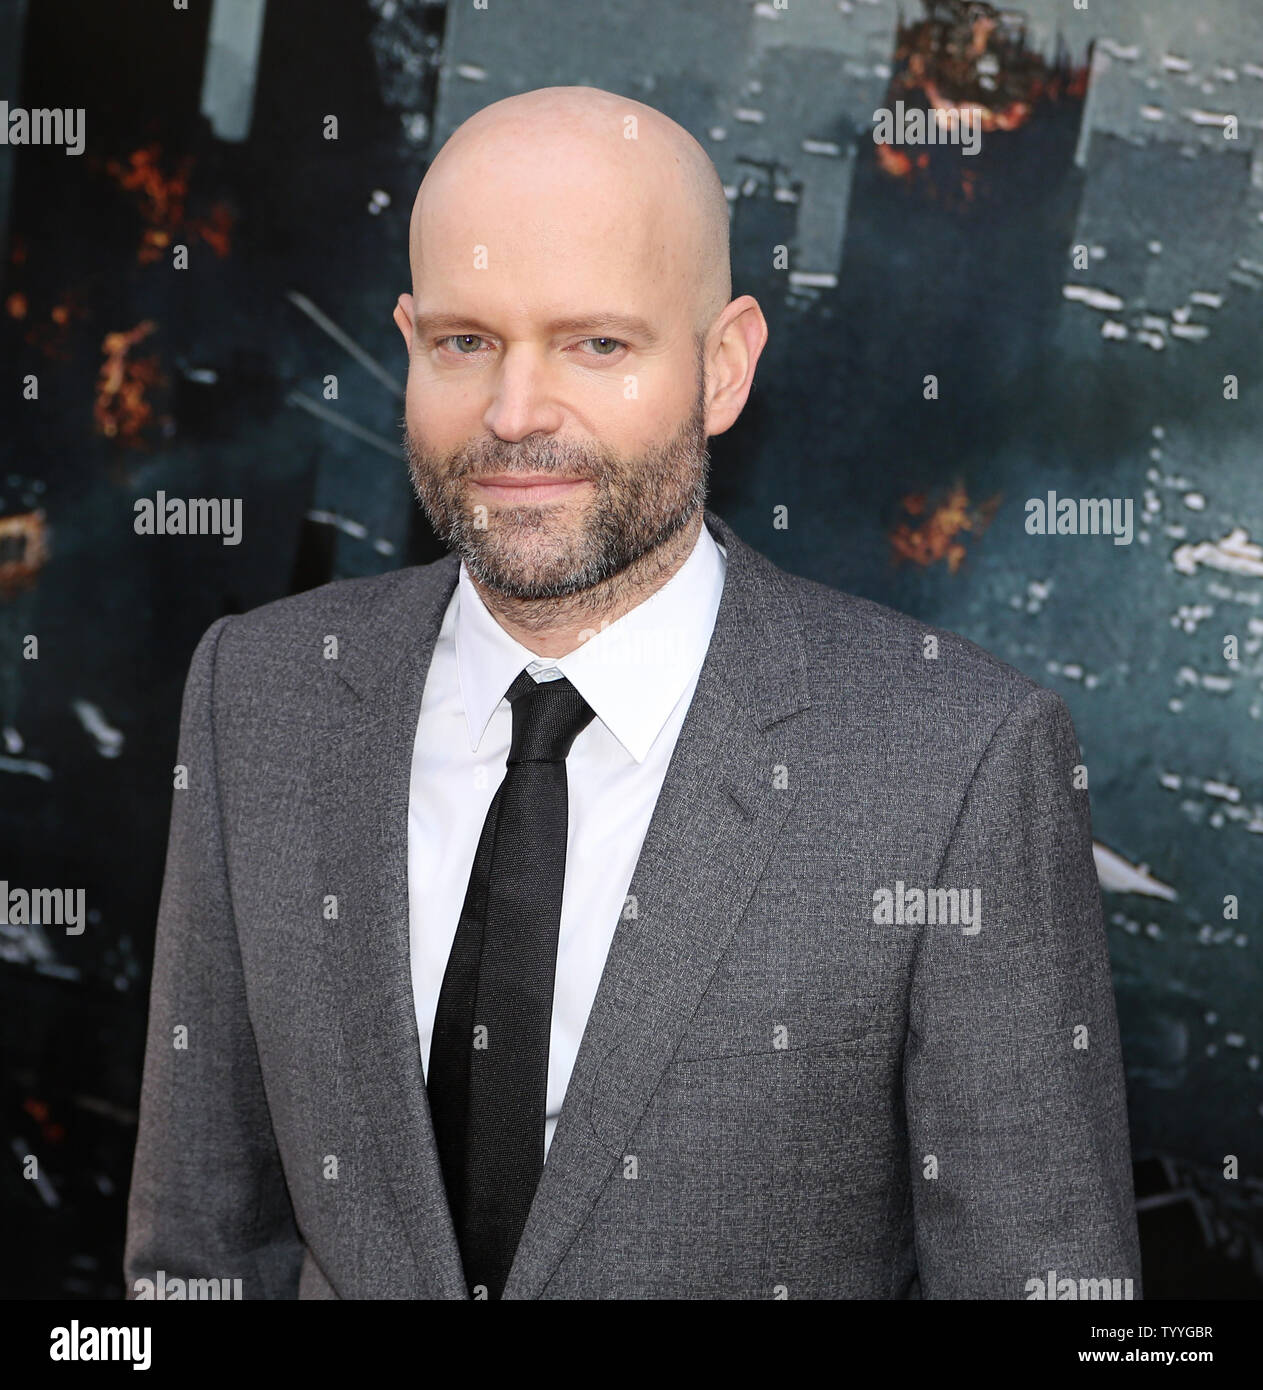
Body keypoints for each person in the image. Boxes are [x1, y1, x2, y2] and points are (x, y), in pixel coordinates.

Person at [124, 85, 1141, 1300]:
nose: (514, 414)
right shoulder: (261, 693)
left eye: (595, 344)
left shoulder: (958, 766)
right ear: (406, 343)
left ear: (723, 368)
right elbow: (199, 1247)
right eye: (465, 342)